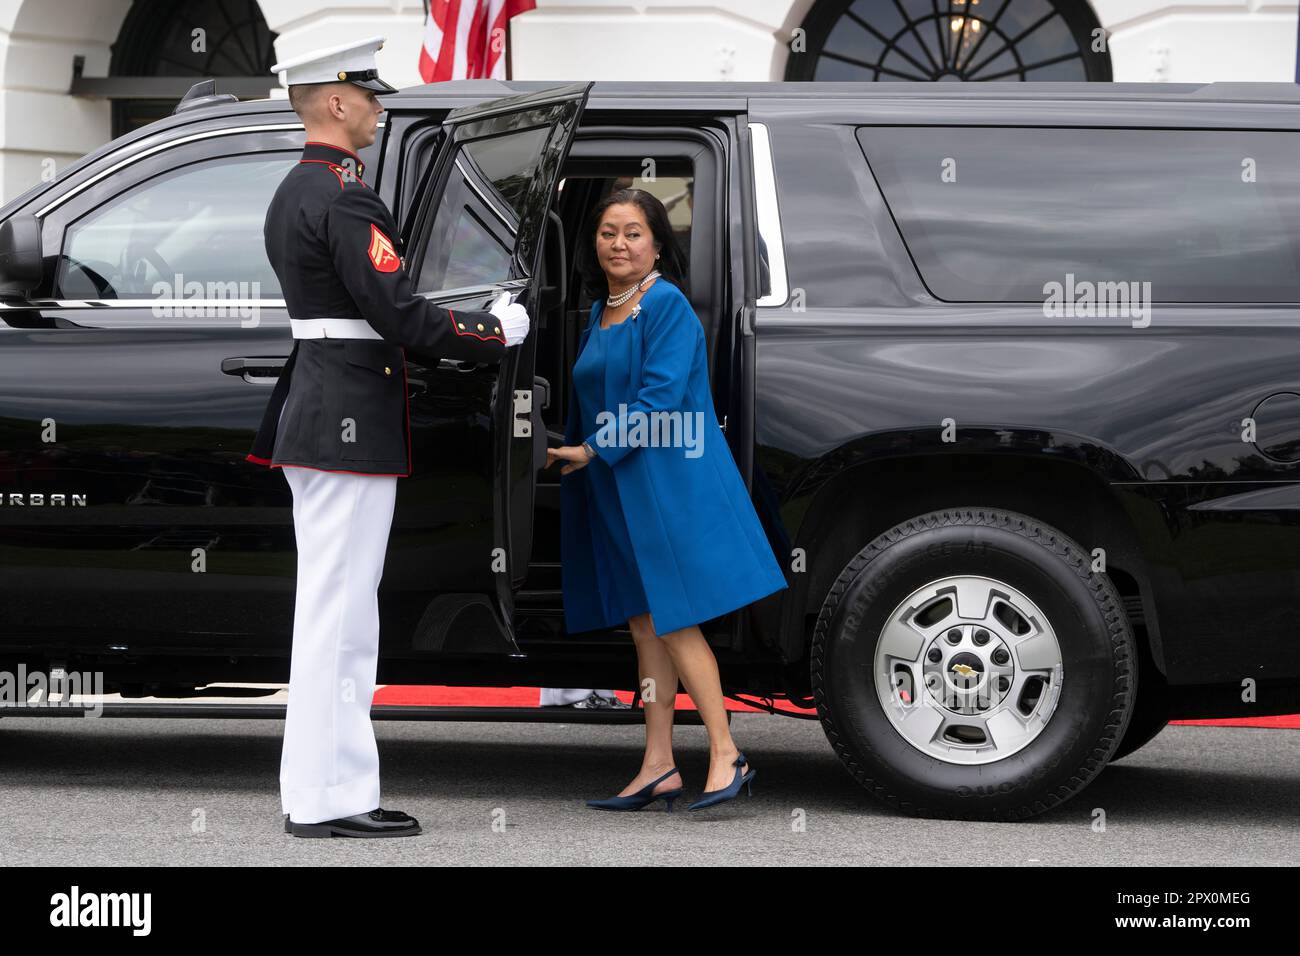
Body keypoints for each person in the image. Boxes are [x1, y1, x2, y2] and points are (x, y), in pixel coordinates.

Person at [246, 36, 530, 838]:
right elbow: (399, 314)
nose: (379, 107)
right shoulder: (343, 196)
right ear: (335, 102)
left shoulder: (295, 188)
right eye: (368, 95)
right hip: (345, 423)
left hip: (324, 413)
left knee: (332, 612)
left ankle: (323, 789)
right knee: (340, 617)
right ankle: (329, 798)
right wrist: (491, 328)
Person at [548, 187, 788, 812]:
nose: (618, 244)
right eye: (607, 232)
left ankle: (725, 750)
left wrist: (592, 450)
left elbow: (659, 401)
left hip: (665, 481)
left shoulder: (667, 305)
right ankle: (658, 763)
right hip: (618, 485)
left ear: (657, 244)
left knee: (676, 618)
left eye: (632, 232)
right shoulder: (602, 310)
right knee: (645, 625)